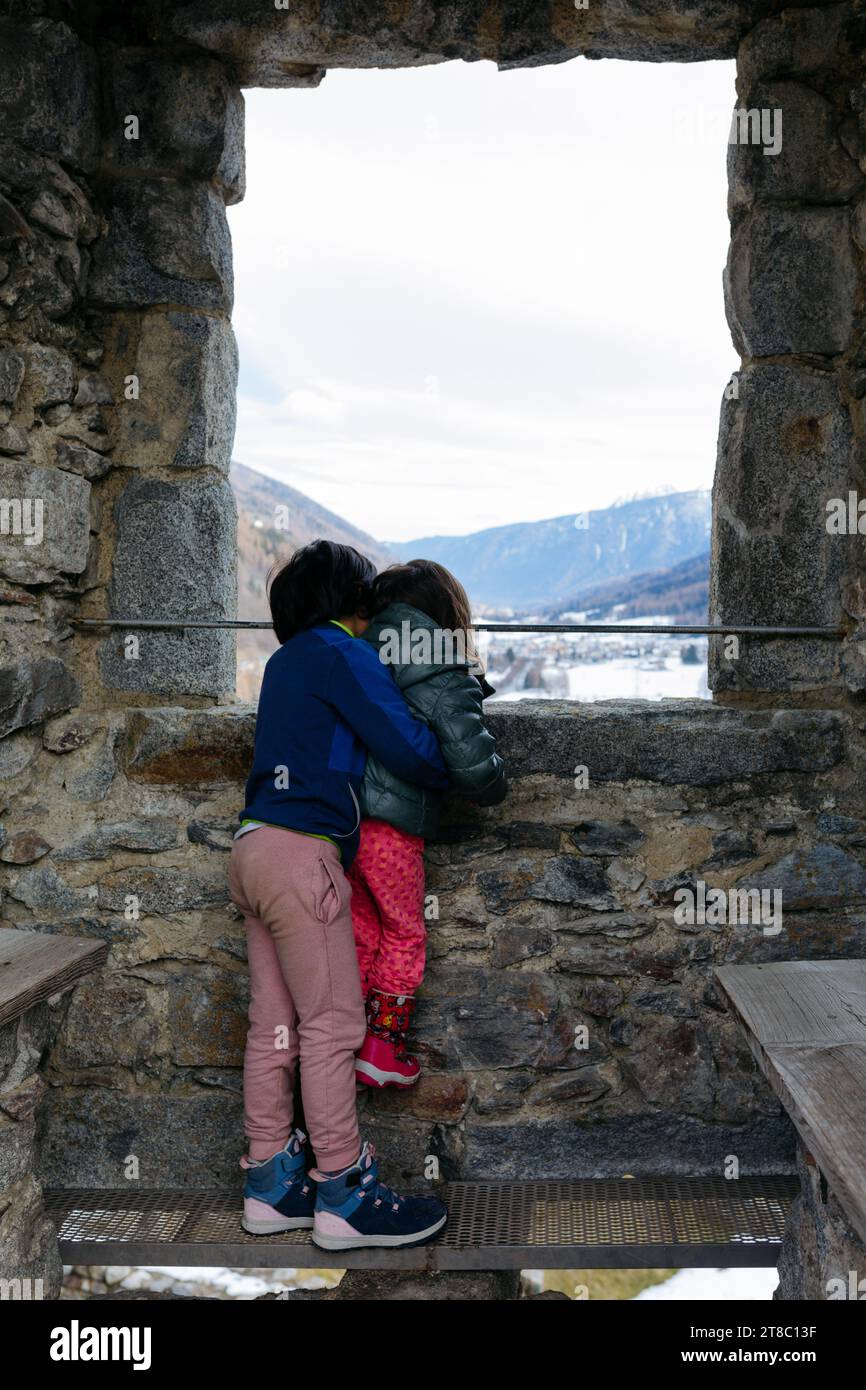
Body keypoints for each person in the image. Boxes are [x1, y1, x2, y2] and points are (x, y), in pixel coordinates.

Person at [228, 540, 449, 1250]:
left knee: (275, 1027)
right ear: (353, 607)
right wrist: (445, 762)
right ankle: (346, 1196)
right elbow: (403, 739)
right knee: (331, 1027)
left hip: (251, 848)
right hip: (302, 858)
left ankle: (270, 1184)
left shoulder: (283, 661)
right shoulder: (341, 651)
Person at [349, 559, 507, 1088]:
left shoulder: (357, 650)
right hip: (393, 829)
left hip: (341, 822)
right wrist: (496, 780)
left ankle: (344, 1041)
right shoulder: (443, 667)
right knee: (404, 933)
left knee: (363, 932)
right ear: (445, 613)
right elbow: (473, 767)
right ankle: (382, 1046)